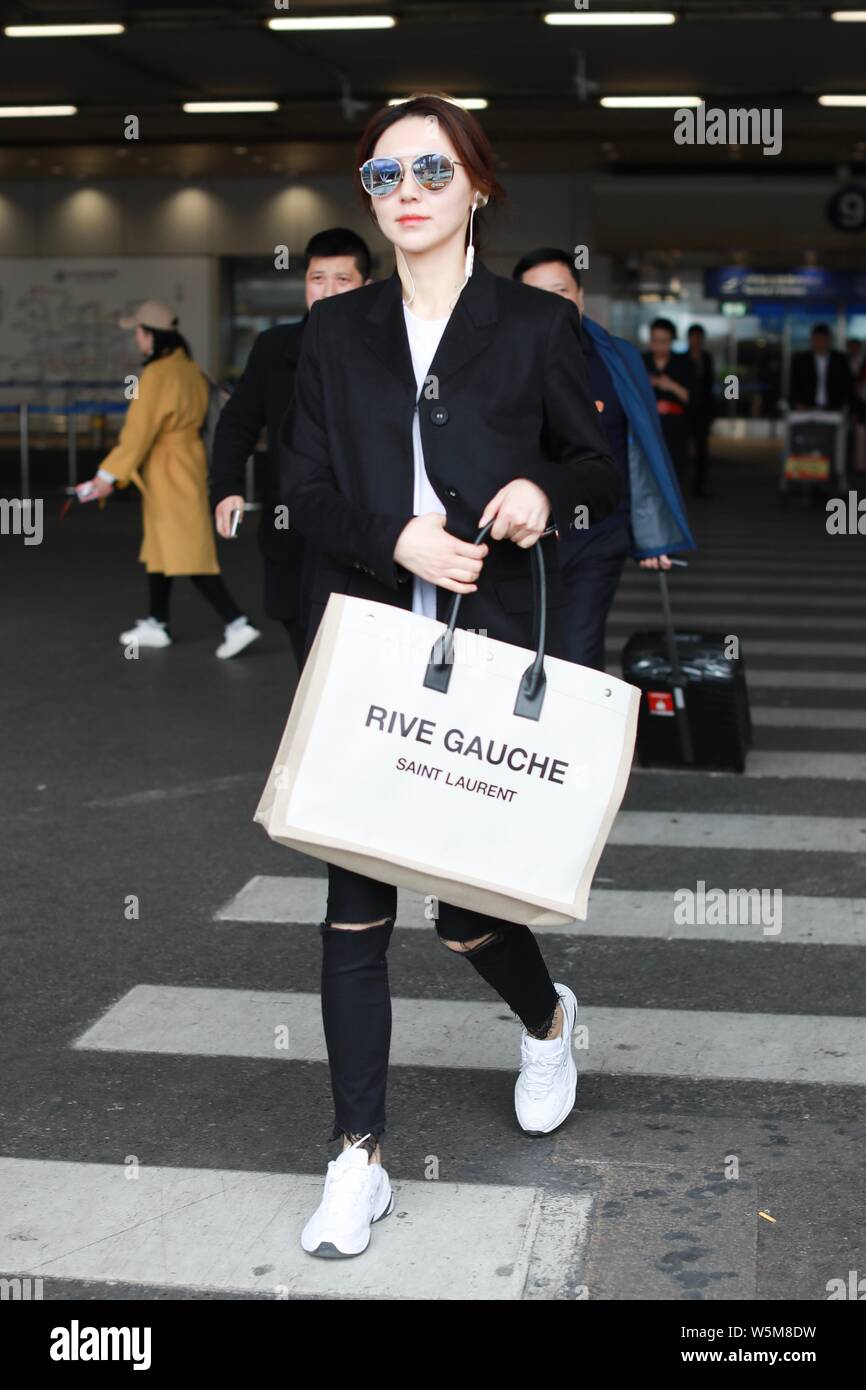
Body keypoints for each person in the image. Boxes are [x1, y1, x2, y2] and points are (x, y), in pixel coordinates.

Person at [278, 93, 622, 1258]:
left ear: (475, 185)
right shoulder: (334, 332)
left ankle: (545, 1017)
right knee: (352, 911)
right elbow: (306, 499)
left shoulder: (532, 325)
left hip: (491, 649)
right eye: (383, 176)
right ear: (368, 202)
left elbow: (597, 468)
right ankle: (354, 1159)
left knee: (467, 910)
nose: (407, 190)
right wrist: (396, 538)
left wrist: (539, 493)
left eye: (431, 169)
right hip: (372, 645)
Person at [512, 249, 695, 671]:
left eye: (561, 292)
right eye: (536, 295)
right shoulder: (500, 361)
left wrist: (650, 533)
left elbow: (642, 447)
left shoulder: (619, 358)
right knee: (519, 653)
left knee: (578, 654)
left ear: (579, 296)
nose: (552, 305)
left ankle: (575, 735)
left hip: (599, 533)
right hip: (522, 537)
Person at [211, 229, 372, 669]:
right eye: (317, 278)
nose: (327, 291)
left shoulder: (389, 349)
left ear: (366, 287)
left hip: (367, 533)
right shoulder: (274, 348)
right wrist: (226, 486)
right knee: (307, 653)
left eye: (343, 280)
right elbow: (238, 422)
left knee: (364, 659)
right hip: (292, 530)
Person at [79, 301, 260, 658]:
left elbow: (138, 433)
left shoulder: (158, 374)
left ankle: (237, 622)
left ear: (151, 335)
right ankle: (156, 622)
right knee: (162, 547)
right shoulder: (190, 369)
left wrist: (106, 476)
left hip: (167, 469)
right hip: (185, 464)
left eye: (138, 332)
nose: (136, 338)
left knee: (188, 552)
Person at [642, 317, 691, 487]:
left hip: (675, 428)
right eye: (655, 341)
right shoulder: (641, 361)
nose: (659, 346)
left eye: (664, 341)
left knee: (673, 473)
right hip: (648, 425)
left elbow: (693, 398)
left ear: (672, 341)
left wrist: (671, 386)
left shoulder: (684, 363)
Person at [790, 324, 856, 412]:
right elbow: (794, 384)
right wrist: (798, 402)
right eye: (817, 339)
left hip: (834, 407)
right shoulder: (801, 360)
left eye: (824, 339)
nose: (820, 342)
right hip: (806, 407)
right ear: (812, 340)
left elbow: (848, 385)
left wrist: (848, 406)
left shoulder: (840, 359)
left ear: (829, 340)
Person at [685, 322, 715, 498]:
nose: (696, 341)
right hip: (686, 410)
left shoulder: (707, 358)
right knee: (682, 449)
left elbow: (709, 386)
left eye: (698, 338)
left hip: (703, 411)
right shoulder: (682, 358)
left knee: (702, 450)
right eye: (693, 337)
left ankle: (699, 486)